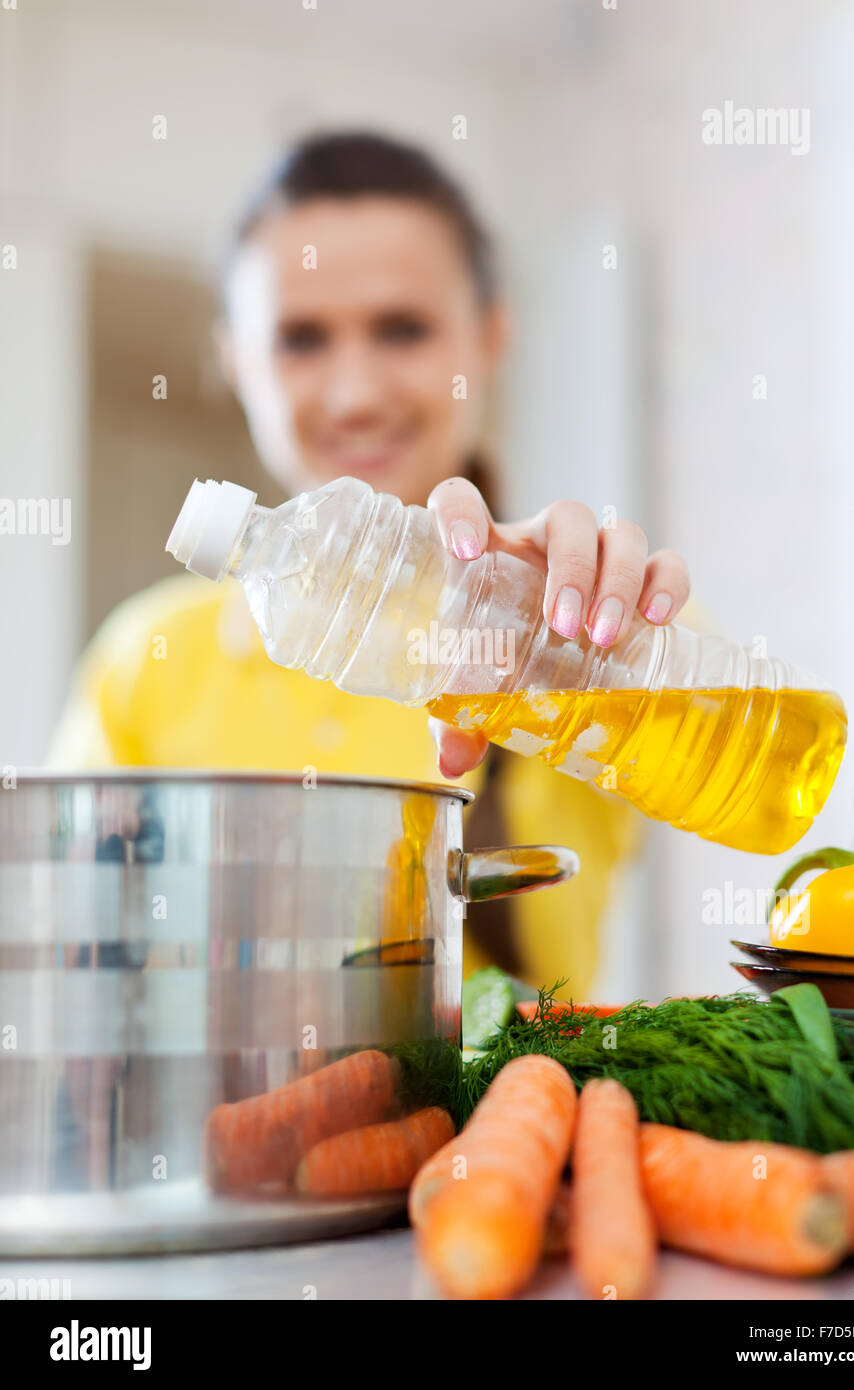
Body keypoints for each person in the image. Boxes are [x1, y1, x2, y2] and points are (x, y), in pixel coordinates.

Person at [46, 131, 700, 996]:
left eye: (403, 329)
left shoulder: (569, 615)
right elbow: (63, 950)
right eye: (301, 338)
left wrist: (597, 637)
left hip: (521, 1131)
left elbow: (768, 783)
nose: (354, 392)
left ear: (489, 338)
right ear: (238, 363)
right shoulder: (149, 659)